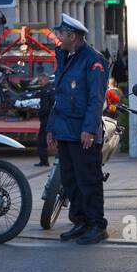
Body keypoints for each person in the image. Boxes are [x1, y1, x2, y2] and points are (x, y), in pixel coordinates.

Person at [45, 14, 109, 245]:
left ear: (72, 36)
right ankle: (80, 222)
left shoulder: (94, 61)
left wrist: (90, 130)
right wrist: (51, 128)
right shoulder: (66, 58)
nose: (57, 37)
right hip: (65, 130)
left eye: (60, 34)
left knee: (88, 180)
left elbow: (96, 99)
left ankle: (96, 225)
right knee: (71, 181)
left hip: (83, 132)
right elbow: (58, 97)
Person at [35, 72, 55, 167]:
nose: (39, 82)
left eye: (41, 80)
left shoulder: (44, 91)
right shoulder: (53, 88)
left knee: (41, 141)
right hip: (54, 118)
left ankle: (44, 161)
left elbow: (45, 108)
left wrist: (38, 114)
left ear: (46, 79)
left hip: (46, 119)